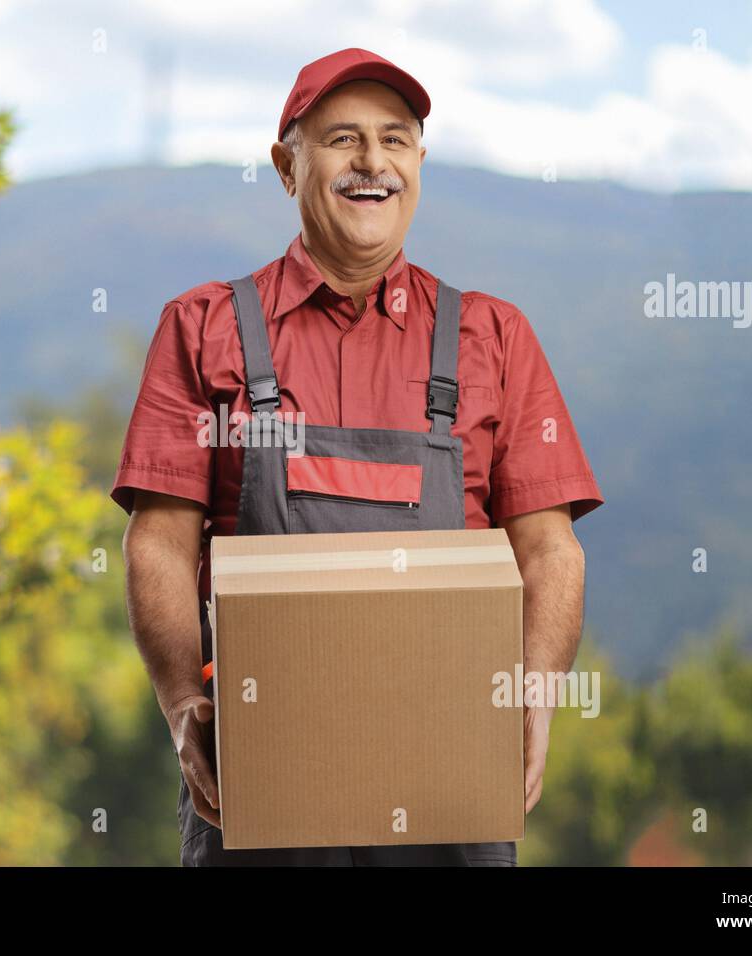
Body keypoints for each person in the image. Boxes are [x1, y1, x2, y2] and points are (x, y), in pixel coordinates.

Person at [112, 48, 604, 866]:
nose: (373, 163)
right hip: (258, 772)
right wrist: (180, 700)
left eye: (396, 140)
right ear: (285, 165)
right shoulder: (203, 329)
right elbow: (158, 541)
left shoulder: (495, 337)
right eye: (342, 140)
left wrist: (536, 694)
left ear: (418, 162)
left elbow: (550, 548)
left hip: (454, 776)